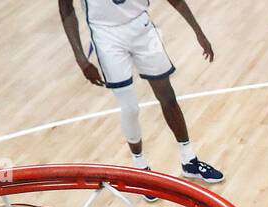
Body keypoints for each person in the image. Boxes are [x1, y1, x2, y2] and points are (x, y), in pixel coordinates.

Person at [57, 0, 224, 189]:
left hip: (142, 28)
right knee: (130, 108)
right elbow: (66, 8)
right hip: (107, 36)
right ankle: (140, 169)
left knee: (168, 97)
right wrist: (80, 58)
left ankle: (189, 161)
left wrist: (198, 32)